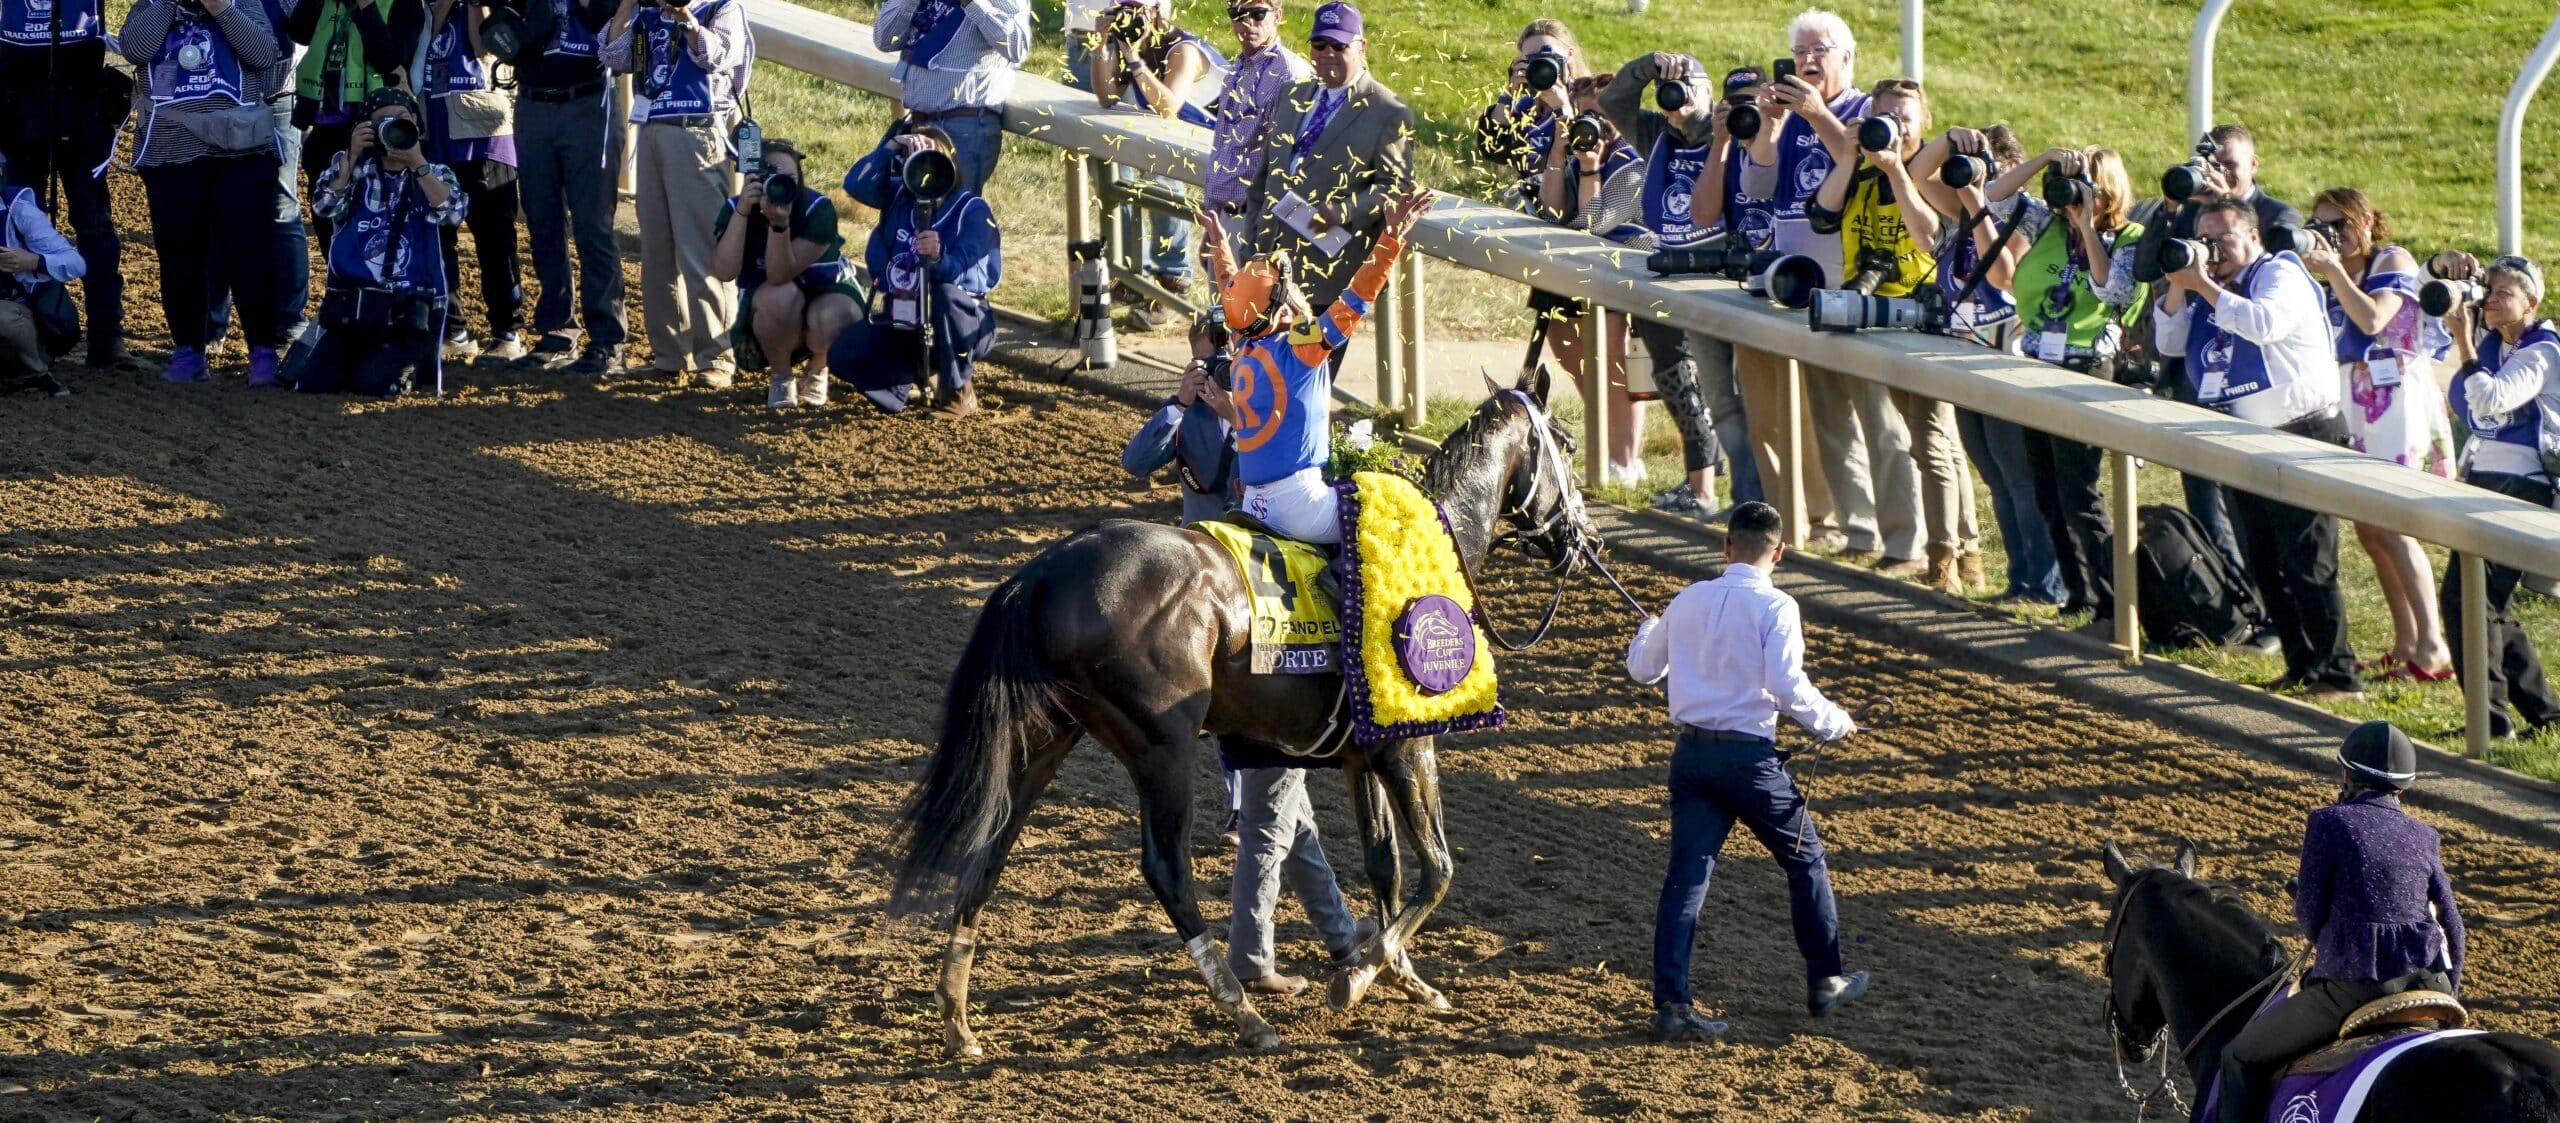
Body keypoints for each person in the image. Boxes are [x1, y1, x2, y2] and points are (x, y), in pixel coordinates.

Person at [1625, 500, 1872, 1043]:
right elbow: (1786, 686)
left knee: (1686, 879)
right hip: (1749, 760)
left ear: (1726, 545)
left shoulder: (1686, 599)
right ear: (1779, 552)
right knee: (1805, 860)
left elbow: (1644, 669)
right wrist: (1833, 723)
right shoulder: (1777, 606)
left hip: (1691, 759)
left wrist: (1648, 630)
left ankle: (1672, 1001)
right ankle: (1825, 978)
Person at [2156, 197, 2363, 701]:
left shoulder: (2281, 273)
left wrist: (2204, 285)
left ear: (2252, 237)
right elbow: (2168, 342)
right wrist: (2182, 289)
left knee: (2310, 562)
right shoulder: (2213, 288)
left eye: (2223, 239)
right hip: (2248, 438)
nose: (2212, 249)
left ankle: (2339, 674)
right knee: (2265, 560)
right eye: (2205, 239)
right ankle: (2301, 666)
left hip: (2305, 432)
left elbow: (2262, 324)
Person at [2216, 721, 2463, 1123]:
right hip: (2430, 986)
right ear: (2403, 788)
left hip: (2354, 988)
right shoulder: (2425, 835)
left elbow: (2310, 917)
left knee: (2239, 1056)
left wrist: (2330, 937)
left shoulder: (2329, 822)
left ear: (2346, 774)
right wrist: (2450, 993)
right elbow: (2453, 922)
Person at [1742, 8, 1911, 561]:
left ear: (1846, 58)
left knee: (1881, 422)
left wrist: (1816, 115)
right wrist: (1771, 124)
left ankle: (1906, 540)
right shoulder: (1790, 112)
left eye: (1820, 50)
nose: (1808, 60)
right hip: (1798, 284)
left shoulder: (1866, 112)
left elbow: (1857, 159)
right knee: (1830, 420)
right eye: (1801, 51)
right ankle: (1853, 531)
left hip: (1858, 279)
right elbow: (1758, 182)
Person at [1195, 182, 1435, 543]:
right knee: (1397, 525)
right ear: (1283, 306)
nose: (1296, 289)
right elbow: (1356, 298)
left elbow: (1233, 290)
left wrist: (1220, 246)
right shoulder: (1301, 346)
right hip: (1300, 506)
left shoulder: (1244, 340)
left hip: (1252, 504)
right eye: (1289, 288)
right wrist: (1391, 238)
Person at [1808, 76, 1964, 589]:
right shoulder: (1859, 170)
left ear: (1925, 123)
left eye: (1906, 116)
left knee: (1921, 440)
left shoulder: (1935, 176)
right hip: (1863, 309)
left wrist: (1897, 168)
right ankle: (1910, 544)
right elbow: (1822, 214)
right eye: (1886, 115)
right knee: (1888, 435)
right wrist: (1850, 156)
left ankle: (1932, 550)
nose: (1896, 125)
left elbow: (1927, 232)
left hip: (1919, 318)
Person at [1598, 56, 1766, 519]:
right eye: (1668, 93)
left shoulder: (1734, 129)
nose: (1676, 101)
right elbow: (1613, 100)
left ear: (1710, 91)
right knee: (1677, 380)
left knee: (1735, 393)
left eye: (1686, 89)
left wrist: (1724, 127)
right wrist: (1649, 68)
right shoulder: (1657, 136)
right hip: (1670, 271)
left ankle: (1727, 490)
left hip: (1724, 274)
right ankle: (1705, 487)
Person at [1988, 145, 2149, 616]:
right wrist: (2043, 160)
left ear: (2108, 190)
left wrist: (2086, 226)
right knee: (2047, 490)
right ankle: (2078, 596)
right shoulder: (2046, 223)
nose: (2071, 193)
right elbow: (1994, 199)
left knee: (2079, 492)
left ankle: (2112, 603)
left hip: (2086, 370)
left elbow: (2112, 288)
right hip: (2037, 365)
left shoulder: (2130, 237)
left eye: (2083, 183)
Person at [2143, 123, 2303, 593]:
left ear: (2254, 165)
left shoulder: (2277, 214)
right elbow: (2146, 267)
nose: (2221, 174)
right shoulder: (2192, 213)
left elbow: (2279, 265)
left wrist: (2228, 211)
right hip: (2198, 372)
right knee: (2205, 495)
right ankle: (2234, 598)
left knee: (2252, 507)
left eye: (2230, 165)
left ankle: (2263, 599)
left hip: (2259, 385)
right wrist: (2175, 211)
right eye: (2214, 165)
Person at [2302, 188, 2454, 680]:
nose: (2334, 236)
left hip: (2395, 399)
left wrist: (2331, 271)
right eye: (2323, 226)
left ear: (2367, 220)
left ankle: (2433, 645)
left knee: (2393, 522)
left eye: (2341, 224)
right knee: (2368, 526)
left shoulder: (2393, 259)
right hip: (2352, 394)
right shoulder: (2326, 274)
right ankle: (2406, 639)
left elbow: (2372, 318)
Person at [120, 0, 285, 386]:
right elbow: (136, 49)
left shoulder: (242, 3)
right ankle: (188, 350)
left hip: (240, 150)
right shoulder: (150, 5)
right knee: (179, 255)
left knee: (249, 253)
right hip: (170, 152)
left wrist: (222, 8)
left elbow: (264, 53)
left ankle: (262, 349)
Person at [2436, 253, 2559, 739]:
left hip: (2523, 486)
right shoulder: (2498, 340)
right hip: (2486, 481)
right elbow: (2428, 303)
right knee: (2490, 602)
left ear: (2532, 302)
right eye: (2488, 290)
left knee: (2467, 598)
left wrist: (2464, 342)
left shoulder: (2543, 351)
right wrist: (2443, 272)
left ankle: (2488, 721)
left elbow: (2489, 399)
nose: (2490, 299)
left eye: (2504, 293)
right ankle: (2546, 714)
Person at [287, 87, 469, 397]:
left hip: (409, 308)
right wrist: (350, 159)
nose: (394, 128)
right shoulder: (353, 169)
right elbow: (322, 207)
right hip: (356, 306)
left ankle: (407, 365)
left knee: (371, 386)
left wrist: (417, 164)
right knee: (311, 384)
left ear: (415, 120)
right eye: (382, 123)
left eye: (401, 119)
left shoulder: (435, 172)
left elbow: (453, 214)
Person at [605, 0, 749, 387]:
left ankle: (716, 357)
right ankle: (669, 354)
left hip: (697, 132)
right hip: (651, 131)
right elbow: (613, 57)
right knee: (657, 251)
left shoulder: (721, 8)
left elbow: (718, 57)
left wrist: (685, 19)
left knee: (700, 250)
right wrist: (624, 9)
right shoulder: (648, 13)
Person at [1243, 0, 1413, 312]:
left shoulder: (1388, 111)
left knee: (1311, 361)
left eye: (1338, 44)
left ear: (1362, 46)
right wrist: (1249, 244)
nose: (1327, 53)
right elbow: (1264, 177)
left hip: (1325, 276)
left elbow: (1395, 188)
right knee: (1255, 362)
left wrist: (1344, 210)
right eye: (1319, 44)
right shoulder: (1291, 94)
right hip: (1266, 268)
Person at [829, 124, 1001, 417]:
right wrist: (891, 146)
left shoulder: (972, 209)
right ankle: (914, 379)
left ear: (951, 161)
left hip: (964, 322)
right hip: (906, 318)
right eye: (917, 159)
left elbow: (961, 270)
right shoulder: (899, 197)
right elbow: (855, 184)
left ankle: (959, 389)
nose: (926, 168)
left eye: (934, 158)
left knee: (946, 295)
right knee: (843, 354)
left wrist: (937, 258)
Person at [1533, 72, 1649, 487]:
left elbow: (1594, 223)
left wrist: (1591, 168)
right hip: (1576, 267)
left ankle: (1625, 460)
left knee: (1615, 363)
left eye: (1602, 115)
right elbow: (1551, 209)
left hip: (1624, 272)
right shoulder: (1579, 148)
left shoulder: (1633, 158)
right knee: (1570, 350)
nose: (1594, 125)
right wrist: (1559, 153)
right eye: (1586, 115)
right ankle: (1606, 441)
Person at [0, 0, 127, 369]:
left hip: (83, 104)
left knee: (95, 224)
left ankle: (107, 337)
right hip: (15, 107)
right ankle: (34, 331)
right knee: (19, 225)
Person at [512, 0, 630, 375]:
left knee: (593, 224)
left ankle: (608, 339)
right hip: (533, 101)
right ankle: (556, 331)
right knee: (542, 222)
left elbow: (615, 32)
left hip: (588, 101)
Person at [1092, 0, 1224, 327]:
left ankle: (1174, 281)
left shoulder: (1182, 49)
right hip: (1186, 138)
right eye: (1122, 8)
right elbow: (1106, 97)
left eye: (1136, 8)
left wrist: (1135, 58)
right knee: (1114, 160)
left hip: (1229, 142)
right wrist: (1100, 43)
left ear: (1157, 11)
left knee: (1158, 173)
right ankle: (1129, 272)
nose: (1129, 16)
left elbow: (1169, 107)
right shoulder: (1131, 43)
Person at [712, 139, 863, 409]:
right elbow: (724, 271)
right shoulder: (736, 208)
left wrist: (779, 225)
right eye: (773, 177)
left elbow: (781, 272)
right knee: (778, 296)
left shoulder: (818, 209)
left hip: (825, 292)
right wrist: (744, 211)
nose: (782, 186)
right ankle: (781, 376)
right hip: (775, 305)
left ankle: (818, 368)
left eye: (790, 178)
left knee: (838, 314)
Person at [421, 0, 526, 364]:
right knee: (439, 236)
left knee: (495, 237)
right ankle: (454, 330)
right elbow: (420, 50)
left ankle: (507, 331)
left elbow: (485, 46)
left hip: (483, 134)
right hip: (434, 130)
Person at [285, 0, 426, 248]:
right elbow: (298, 32)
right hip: (325, 128)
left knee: (374, 220)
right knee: (327, 218)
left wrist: (366, 6)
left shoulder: (407, 5)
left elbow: (390, 59)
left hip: (378, 130)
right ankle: (336, 277)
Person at [874, 0, 1029, 193]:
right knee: (904, 220)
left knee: (945, 221)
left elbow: (1017, 46)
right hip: (918, 123)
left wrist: (971, 3)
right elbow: (885, 40)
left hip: (964, 129)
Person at [1202, 1, 1307, 252]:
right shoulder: (1236, 69)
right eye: (1237, 15)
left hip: (1258, 223)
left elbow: (1290, 165)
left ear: (1278, 16)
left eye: (1258, 14)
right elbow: (1223, 148)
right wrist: (1212, 221)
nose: (1247, 23)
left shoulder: (1288, 76)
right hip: (1225, 217)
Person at [1123, 313, 1242, 525]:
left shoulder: (1270, 408)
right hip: (1199, 546)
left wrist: (1236, 419)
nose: (1222, 372)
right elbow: (1136, 463)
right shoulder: (1188, 413)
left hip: (1253, 546)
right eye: (1211, 364)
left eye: (1228, 362)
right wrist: (1178, 405)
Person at [1476, 18, 1584, 212]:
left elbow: (1585, 157)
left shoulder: (1589, 102)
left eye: (1550, 56)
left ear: (1569, 57)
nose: (1544, 66)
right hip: (1530, 212)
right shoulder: (1525, 109)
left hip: (1576, 213)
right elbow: (1492, 150)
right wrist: (1509, 94)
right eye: (1533, 60)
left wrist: (1563, 109)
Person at [0, 173, 85, 397]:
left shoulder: (18, 211)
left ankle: (37, 373)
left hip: (24, 323)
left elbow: (76, 263)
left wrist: (33, 261)